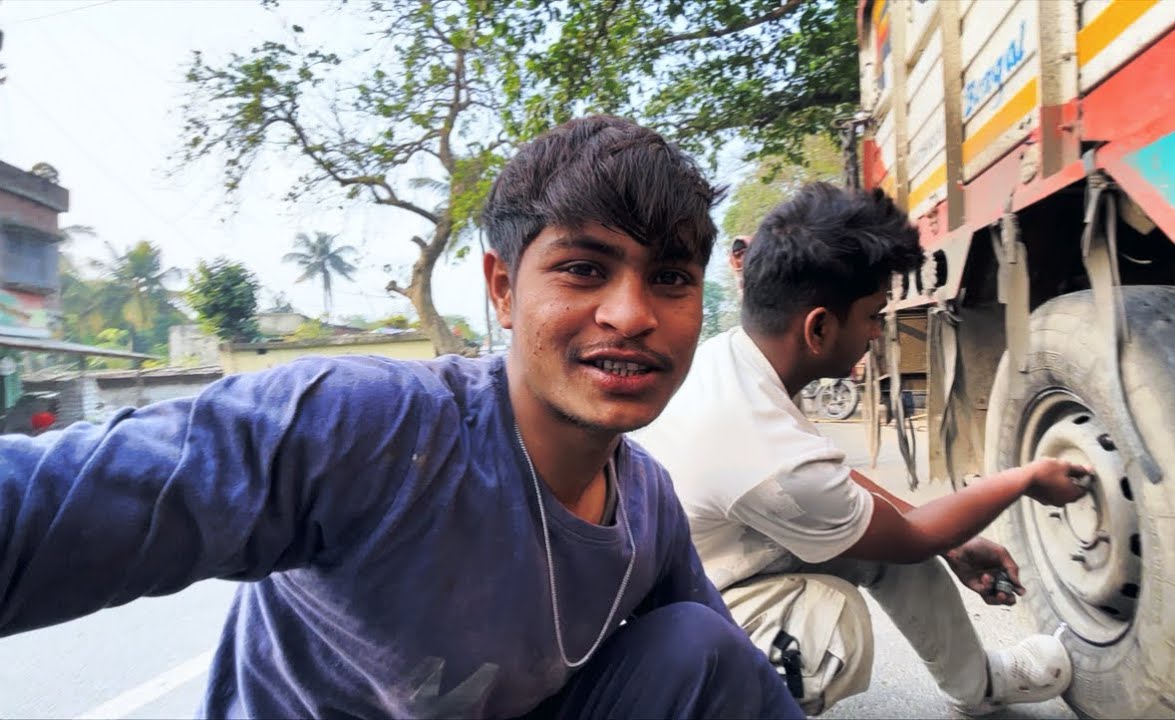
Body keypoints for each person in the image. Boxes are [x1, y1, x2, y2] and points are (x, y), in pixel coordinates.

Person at [0, 116, 802, 720]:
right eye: (583, 269)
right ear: (501, 288)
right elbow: (43, 505)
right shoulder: (369, 429)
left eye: (669, 278)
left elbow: (731, 684)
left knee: (702, 648)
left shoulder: (647, 504)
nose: (630, 314)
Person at [632, 182, 1092, 716]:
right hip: (675, 626)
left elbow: (852, 498)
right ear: (820, 328)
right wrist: (1025, 479)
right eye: (873, 315)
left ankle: (977, 683)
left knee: (882, 538)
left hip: (702, 567)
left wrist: (949, 541)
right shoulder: (762, 445)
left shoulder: (734, 360)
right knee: (834, 624)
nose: (878, 332)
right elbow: (901, 532)